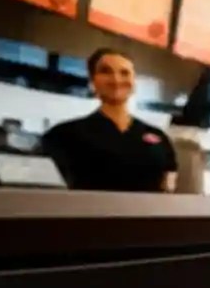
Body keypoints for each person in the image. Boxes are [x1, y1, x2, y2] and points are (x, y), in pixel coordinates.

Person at [43, 48, 177, 192]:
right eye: (106, 71)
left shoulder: (159, 138)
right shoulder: (63, 135)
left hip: (147, 213)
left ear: (134, 82)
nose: (116, 79)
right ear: (92, 81)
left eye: (124, 73)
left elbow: (168, 190)